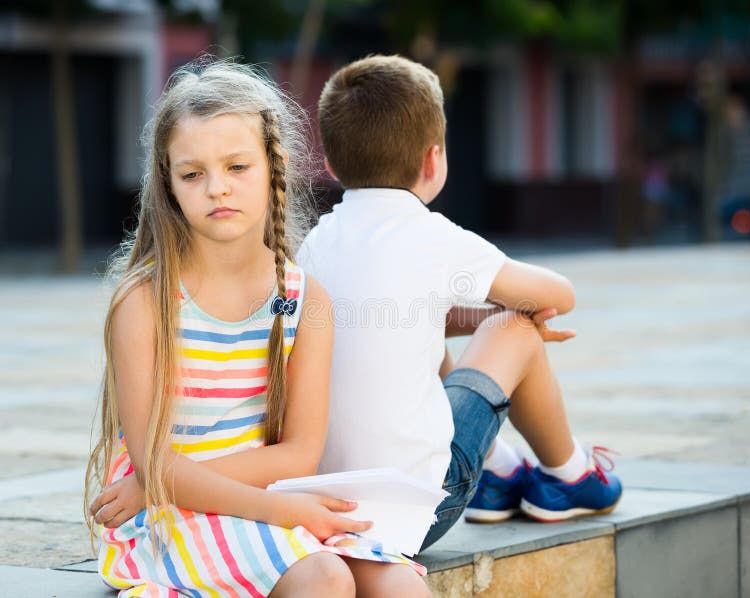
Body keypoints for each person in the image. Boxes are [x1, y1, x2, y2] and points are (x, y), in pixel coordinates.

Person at [84, 60, 430, 598]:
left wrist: (170, 480)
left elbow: (299, 454)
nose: (216, 188)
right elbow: (155, 464)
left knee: (400, 586)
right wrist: (270, 506)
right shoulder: (144, 301)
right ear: (169, 185)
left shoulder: (304, 300)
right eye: (192, 174)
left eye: (238, 167)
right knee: (325, 576)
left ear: (275, 166)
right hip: (165, 515)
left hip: (251, 496)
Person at [296, 55, 623, 550]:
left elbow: (397, 318)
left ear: (332, 166)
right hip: (421, 509)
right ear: (433, 159)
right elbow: (561, 294)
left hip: (327, 508)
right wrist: (518, 314)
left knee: (426, 338)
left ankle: (500, 473)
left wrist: (481, 314)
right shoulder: (430, 235)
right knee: (515, 329)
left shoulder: (316, 242)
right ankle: (570, 476)